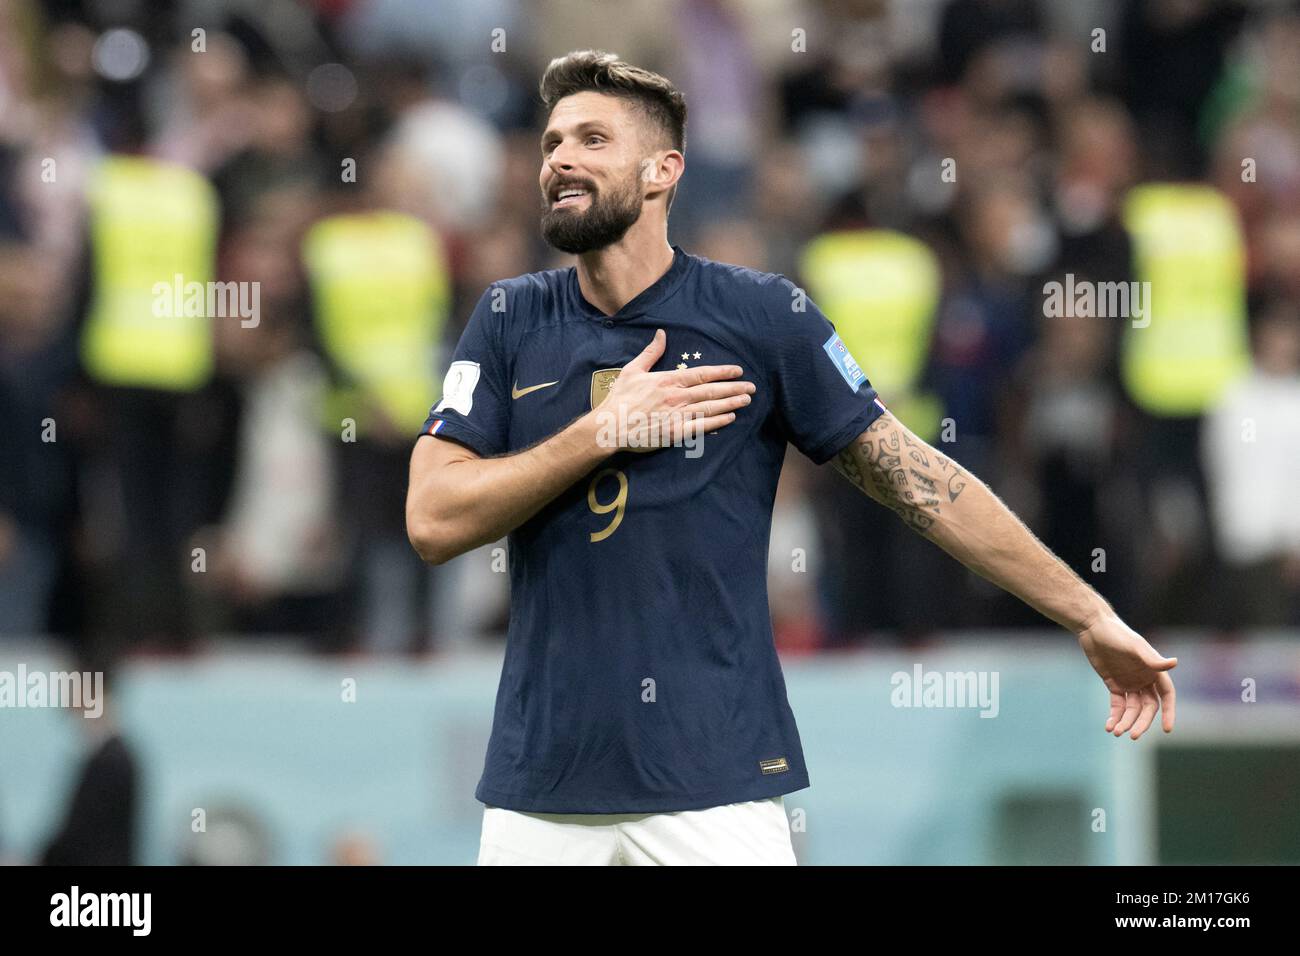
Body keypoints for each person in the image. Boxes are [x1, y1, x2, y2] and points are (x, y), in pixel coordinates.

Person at [404, 50, 1177, 866]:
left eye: (592, 139)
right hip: (541, 793)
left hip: (720, 780)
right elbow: (431, 519)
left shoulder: (761, 316)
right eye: (552, 142)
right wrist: (602, 432)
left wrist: (1088, 613)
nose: (559, 158)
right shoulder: (508, 318)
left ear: (663, 170)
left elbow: (923, 484)